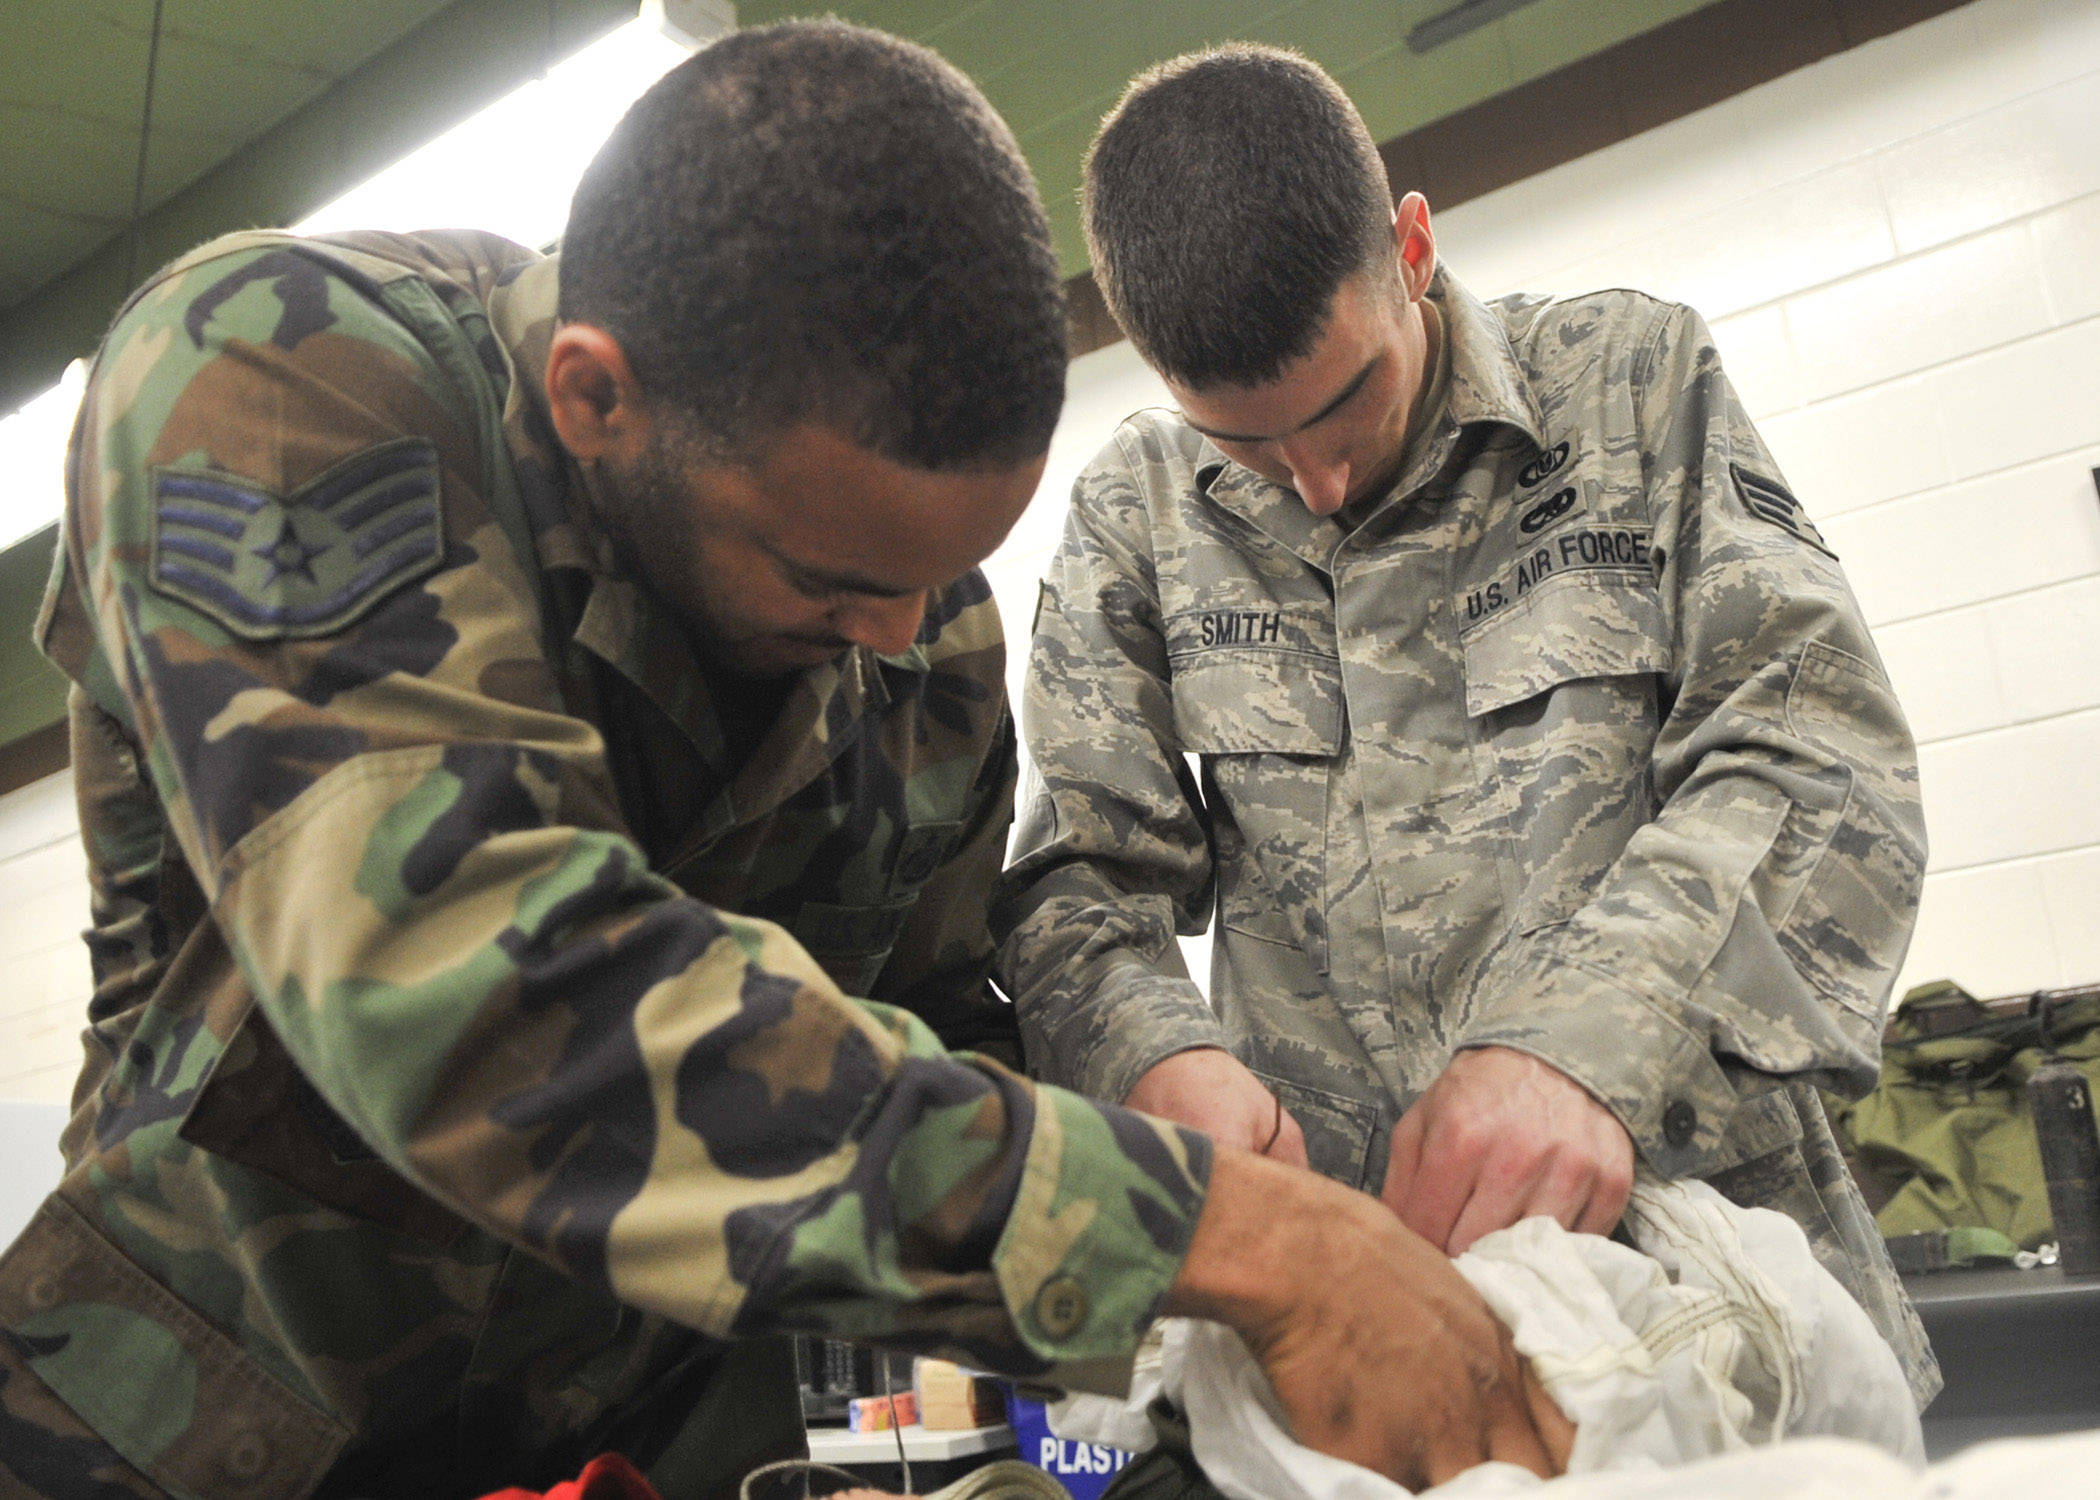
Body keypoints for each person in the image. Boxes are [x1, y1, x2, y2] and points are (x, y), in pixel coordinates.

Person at [0, 23, 1566, 1500]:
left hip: (662, 1425)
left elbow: (929, 1027)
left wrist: (1163, 1135)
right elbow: (478, 986)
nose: (897, 638)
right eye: (830, 581)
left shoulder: (917, 632)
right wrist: (1224, 1234)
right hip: (210, 1417)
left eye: (937, 576)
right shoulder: (289, 375)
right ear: (596, 399)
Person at [995, 42, 1939, 1408]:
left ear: (1413, 248)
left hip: (1724, 1310)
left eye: (1343, 403)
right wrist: (1158, 1054)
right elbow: (1077, 883)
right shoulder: (1134, 515)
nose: (1312, 484)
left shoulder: (1628, 385)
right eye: (1246, 449)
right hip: (1374, 1348)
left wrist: (1584, 1051)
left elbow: (1816, 753)